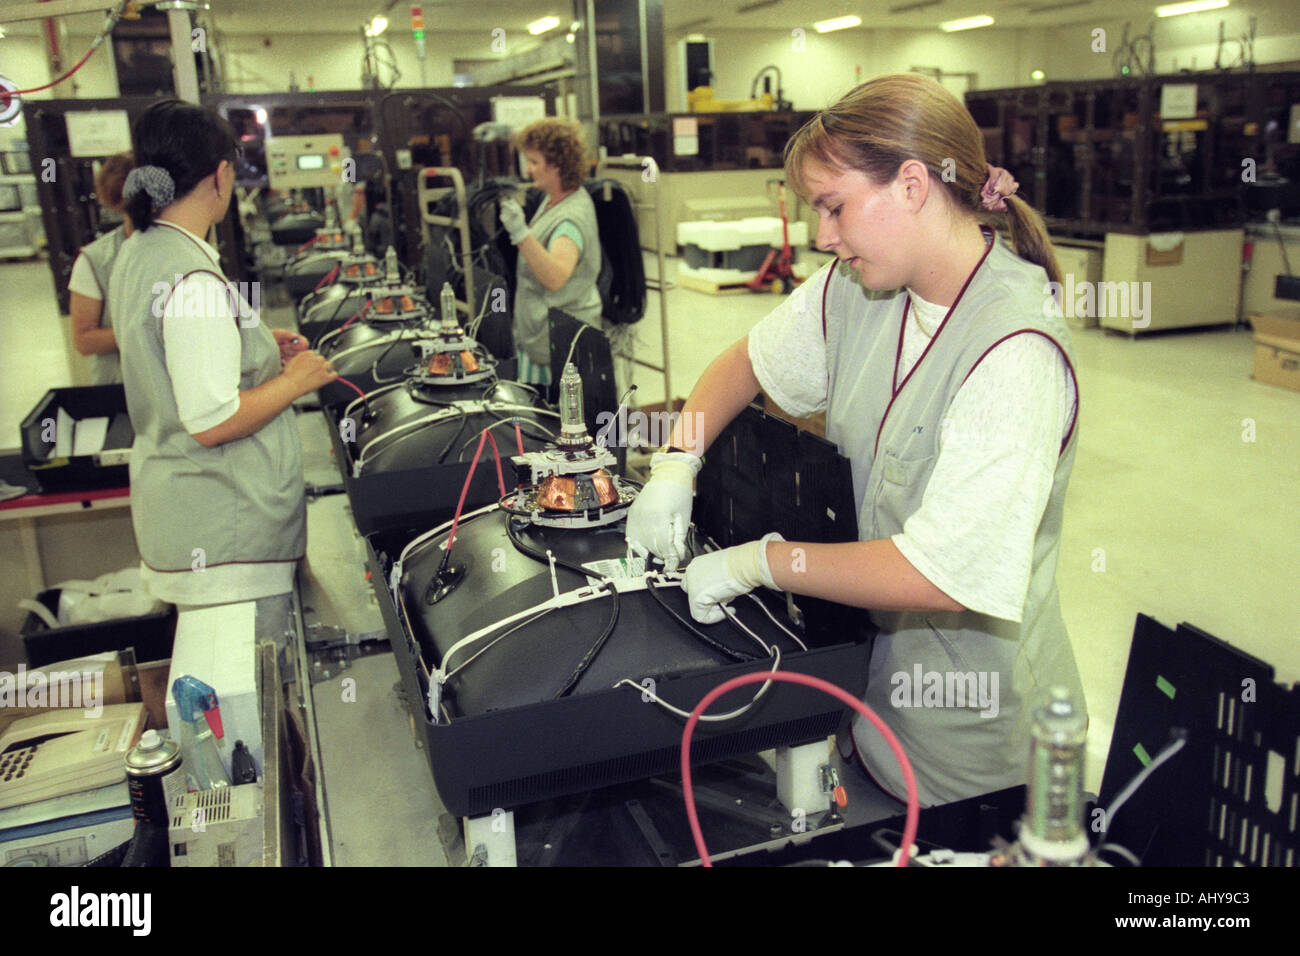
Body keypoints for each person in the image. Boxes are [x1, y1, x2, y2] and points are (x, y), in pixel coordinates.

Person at [625, 73, 1086, 808]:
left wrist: (765, 563)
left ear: (911, 185)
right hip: (865, 698)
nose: (821, 237)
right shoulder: (861, 289)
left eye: (834, 207)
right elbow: (746, 362)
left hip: (970, 755)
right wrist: (676, 462)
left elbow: (938, 575)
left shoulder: (1014, 352)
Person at [109, 99, 336, 660]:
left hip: (187, 520)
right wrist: (296, 381)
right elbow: (213, 421)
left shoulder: (141, 250)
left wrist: (255, 348)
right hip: (226, 540)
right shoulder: (192, 280)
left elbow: (173, 359)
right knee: (246, 715)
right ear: (221, 174)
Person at [499, 118, 602, 393]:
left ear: (557, 165)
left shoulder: (570, 219)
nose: (528, 169)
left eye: (534, 161)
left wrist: (520, 232)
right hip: (543, 338)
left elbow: (556, 277)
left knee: (552, 424)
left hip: (560, 345)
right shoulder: (555, 199)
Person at [67, 152, 134, 384]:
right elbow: (84, 340)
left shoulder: (180, 249)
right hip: (120, 389)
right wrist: (146, 333)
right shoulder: (95, 260)